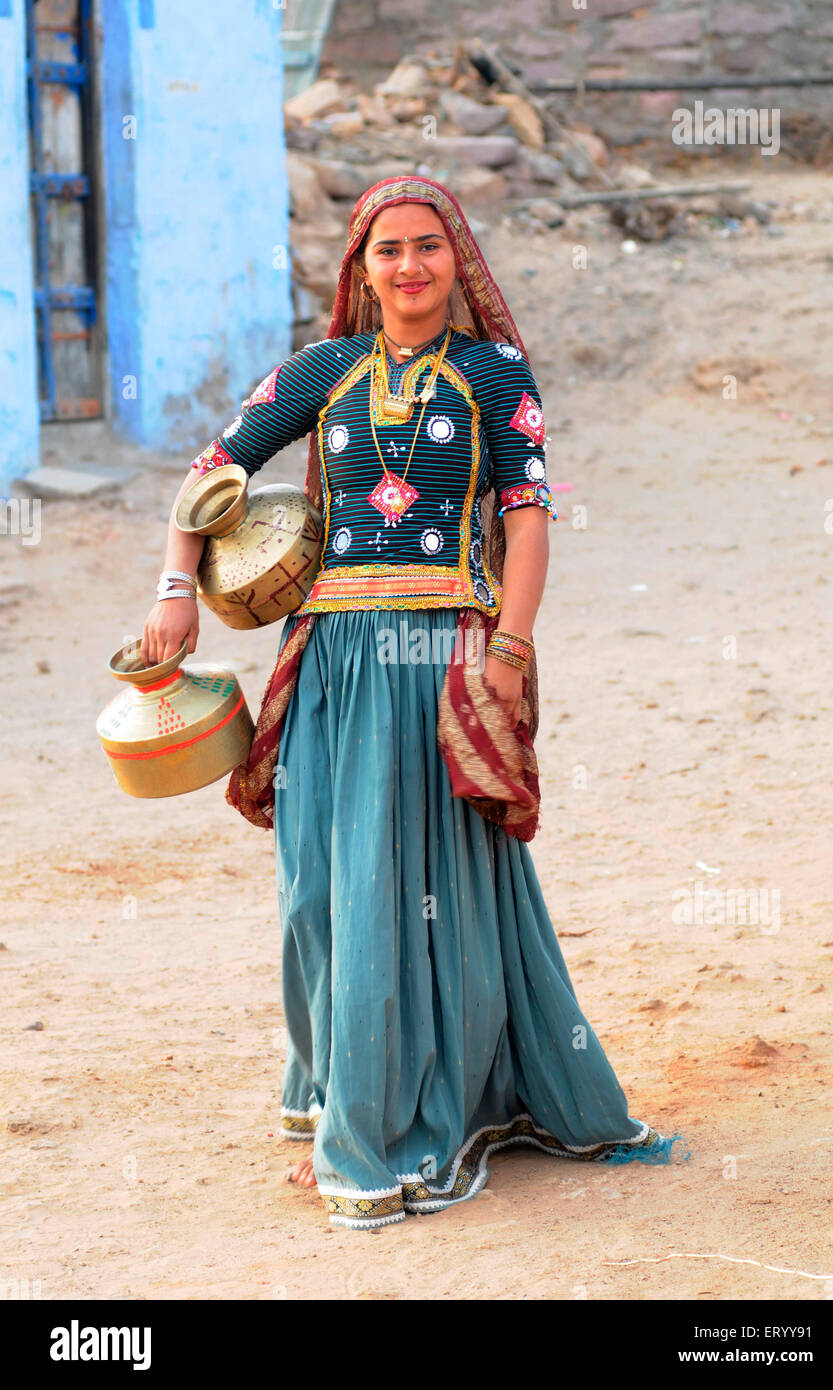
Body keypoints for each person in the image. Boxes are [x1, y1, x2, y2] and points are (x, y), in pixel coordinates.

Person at [141, 175, 685, 1231]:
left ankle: (411, 1114)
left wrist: (512, 647)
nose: (408, 267)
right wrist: (175, 592)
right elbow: (207, 478)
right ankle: (339, 1094)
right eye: (385, 250)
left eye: (426, 247)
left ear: (456, 258)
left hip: (446, 660)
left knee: (427, 886)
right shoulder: (323, 370)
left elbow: (526, 520)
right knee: (322, 888)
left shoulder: (493, 374)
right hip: (332, 663)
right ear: (360, 269)